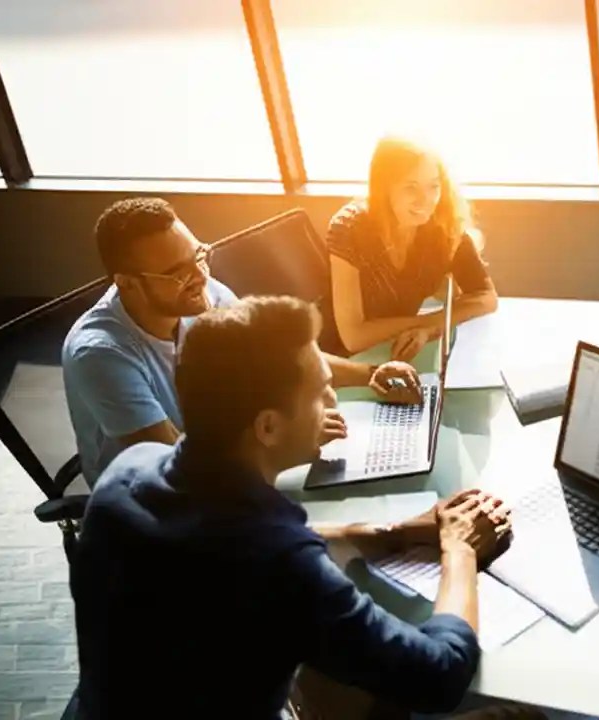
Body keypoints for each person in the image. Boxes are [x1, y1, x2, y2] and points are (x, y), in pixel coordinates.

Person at [70, 296, 512, 718]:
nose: (334, 401)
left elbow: (225, 549)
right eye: (322, 391)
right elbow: (441, 675)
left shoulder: (128, 471)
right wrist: (461, 549)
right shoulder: (278, 564)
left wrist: (392, 533)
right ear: (267, 426)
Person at [62, 197, 422, 486]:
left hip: (217, 456)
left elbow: (277, 354)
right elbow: (175, 468)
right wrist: (288, 441)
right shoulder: (100, 355)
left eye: (198, 256)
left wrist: (372, 373)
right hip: (156, 505)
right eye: (176, 272)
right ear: (126, 283)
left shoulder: (201, 290)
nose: (198, 276)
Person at [325, 136, 498, 360]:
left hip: (392, 351)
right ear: (384, 188)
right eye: (410, 187)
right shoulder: (348, 228)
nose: (425, 200)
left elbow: (486, 297)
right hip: (337, 361)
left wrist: (429, 329)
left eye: (433, 186)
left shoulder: (443, 223)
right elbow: (354, 337)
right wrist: (431, 323)